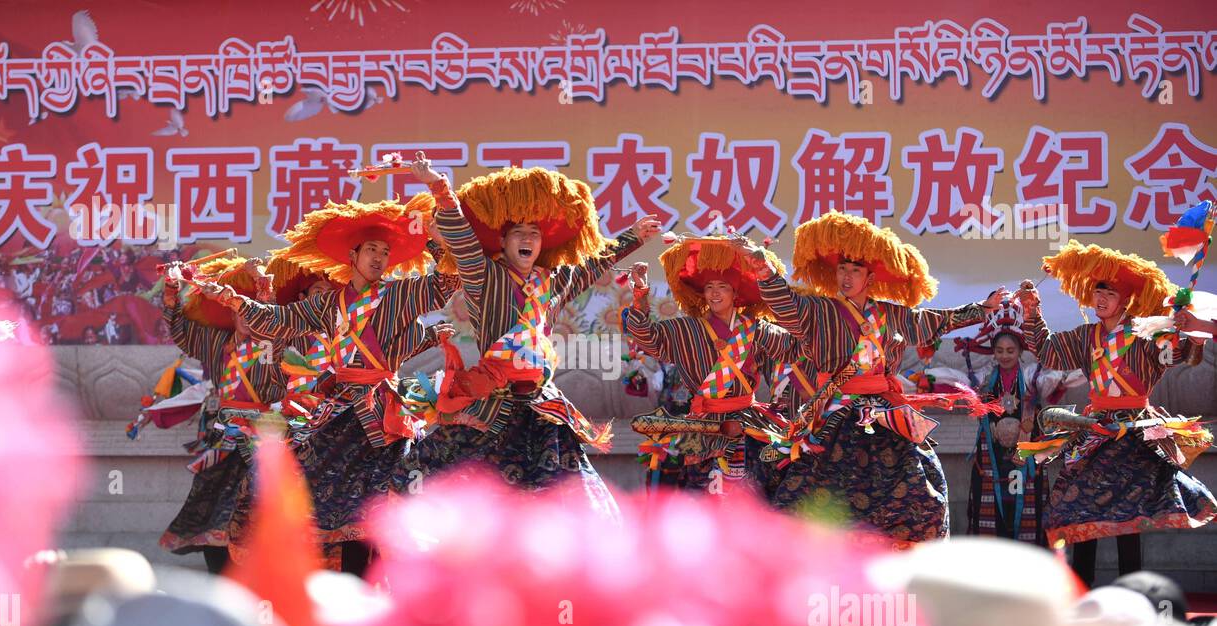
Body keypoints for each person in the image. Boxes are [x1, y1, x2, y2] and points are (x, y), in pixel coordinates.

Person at [206, 196, 458, 574]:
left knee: (384, 505)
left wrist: (438, 240)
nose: (379, 257)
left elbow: (445, 283)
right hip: (335, 409)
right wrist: (237, 302)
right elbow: (279, 319)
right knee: (287, 482)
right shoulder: (328, 304)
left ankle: (379, 584)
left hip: (381, 414)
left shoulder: (400, 296)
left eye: (385, 251)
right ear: (352, 256)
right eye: (371, 249)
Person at [397, 153, 661, 511]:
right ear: (503, 243)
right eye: (518, 233)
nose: (527, 239)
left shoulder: (550, 281)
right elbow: (460, 238)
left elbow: (593, 263)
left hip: (542, 404)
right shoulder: (484, 277)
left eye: (533, 234)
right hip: (493, 401)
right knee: (463, 490)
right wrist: (438, 186)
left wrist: (634, 237)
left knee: (568, 496)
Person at [755, 210, 1004, 546]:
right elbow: (785, 305)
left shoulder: (889, 314)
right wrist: (764, 273)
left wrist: (981, 309)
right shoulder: (819, 311)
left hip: (885, 411)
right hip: (835, 409)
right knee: (812, 483)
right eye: (842, 268)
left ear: (869, 277)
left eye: (855, 270)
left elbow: (930, 322)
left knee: (918, 486)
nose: (846, 276)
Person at [1014, 241, 1216, 587]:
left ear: (1125, 300)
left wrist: (1189, 332)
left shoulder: (1147, 333)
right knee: (1080, 513)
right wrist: (1032, 312)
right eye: (1097, 291)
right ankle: (1080, 592)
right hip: (1095, 431)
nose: (1100, 298)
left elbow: (1178, 357)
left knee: (1130, 520)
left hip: (1134, 432)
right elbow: (1048, 351)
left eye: (1108, 292)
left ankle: (1133, 594)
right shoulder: (1085, 335)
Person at [621, 235, 798, 496]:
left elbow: (793, 348)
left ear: (736, 293)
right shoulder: (685, 328)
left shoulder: (756, 329)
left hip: (747, 421)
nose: (715, 293)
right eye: (709, 287)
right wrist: (640, 293)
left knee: (753, 494)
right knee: (700, 494)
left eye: (723, 287)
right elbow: (647, 336)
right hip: (704, 425)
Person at [159, 256, 290, 573]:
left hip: (264, 440)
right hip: (222, 438)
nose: (245, 314)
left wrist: (260, 280)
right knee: (213, 509)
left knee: (261, 510)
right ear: (230, 310)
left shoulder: (275, 343)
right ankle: (221, 577)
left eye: (252, 307)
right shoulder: (214, 342)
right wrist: (172, 288)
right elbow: (178, 328)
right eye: (239, 306)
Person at [957, 301, 1082, 545]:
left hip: (1026, 464)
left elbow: (1059, 380)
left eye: (1010, 351)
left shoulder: (1032, 376)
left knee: (1029, 519)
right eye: (1000, 350)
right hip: (990, 462)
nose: (1005, 356)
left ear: (1020, 351)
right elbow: (959, 384)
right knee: (989, 521)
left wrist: (1077, 372)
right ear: (993, 351)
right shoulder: (983, 378)